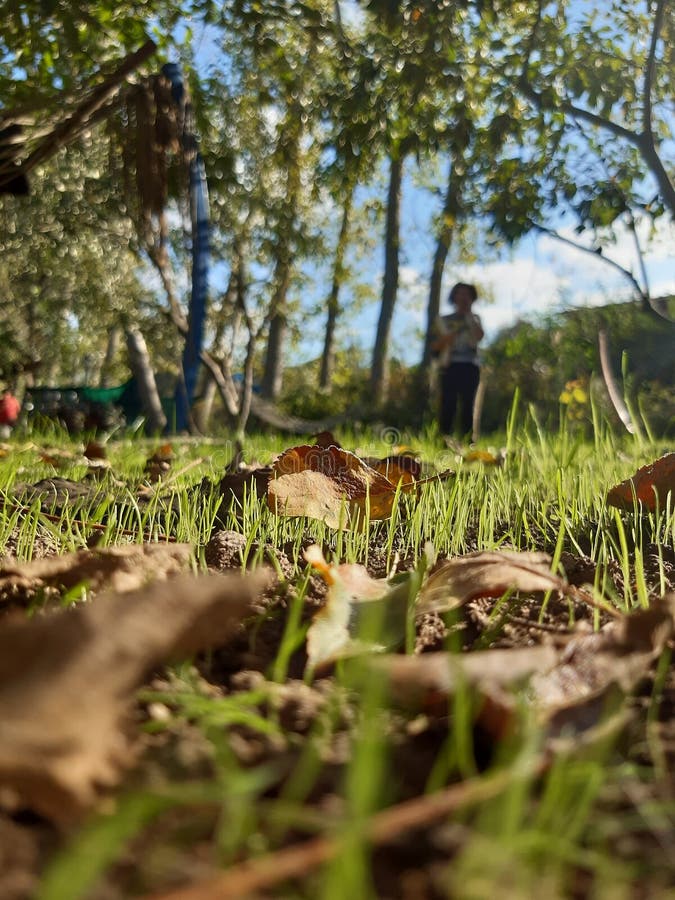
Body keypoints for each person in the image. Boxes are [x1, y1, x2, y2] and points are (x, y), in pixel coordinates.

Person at [431, 282, 484, 441]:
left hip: (471, 366)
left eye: (467, 294)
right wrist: (448, 338)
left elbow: (480, 336)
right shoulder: (443, 320)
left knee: (469, 404)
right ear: (453, 296)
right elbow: (434, 345)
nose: (463, 297)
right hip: (449, 365)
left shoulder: (475, 319)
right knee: (447, 404)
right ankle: (444, 440)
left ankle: (469, 441)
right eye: (460, 293)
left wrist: (468, 317)